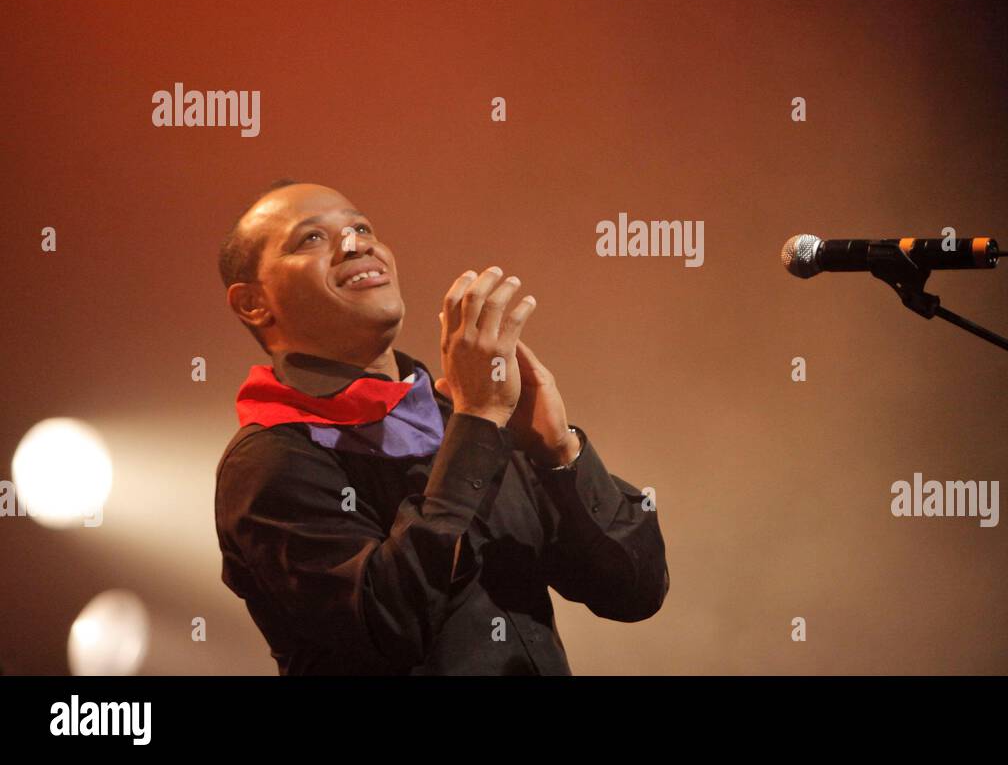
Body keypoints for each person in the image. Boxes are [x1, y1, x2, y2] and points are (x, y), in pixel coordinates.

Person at [213, 180, 668, 674]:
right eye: (312, 239)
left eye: (361, 227)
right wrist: (475, 426)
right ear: (253, 303)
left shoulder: (457, 416)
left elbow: (634, 591)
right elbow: (389, 625)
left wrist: (560, 452)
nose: (356, 243)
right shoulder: (271, 459)